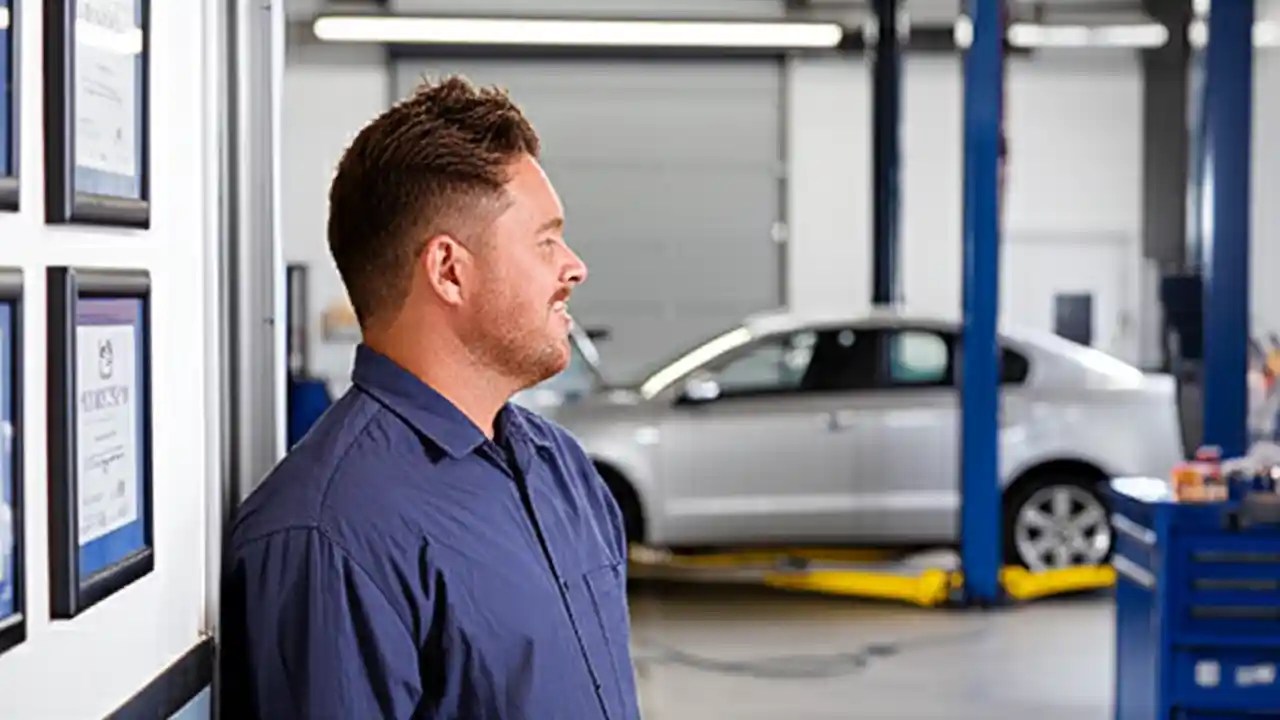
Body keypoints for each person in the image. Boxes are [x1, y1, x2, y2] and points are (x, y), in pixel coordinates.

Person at [218, 76, 641, 720]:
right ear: (448, 270)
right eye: (545, 240)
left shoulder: (565, 471)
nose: (573, 266)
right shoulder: (328, 534)